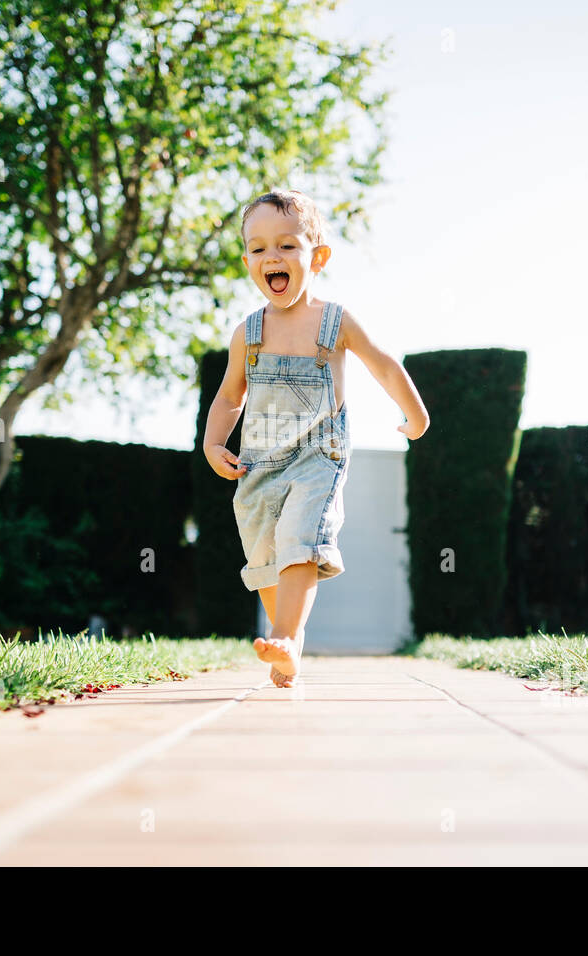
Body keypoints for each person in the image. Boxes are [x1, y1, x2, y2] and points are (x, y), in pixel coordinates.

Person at [202, 188, 430, 687]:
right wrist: (213, 442)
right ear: (247, 261)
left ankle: (283, 636)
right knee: (265, 555)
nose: (272, 257)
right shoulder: (248, 332)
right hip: (259, 461)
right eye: (259, 248)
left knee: (299, 538)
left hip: (316, 458)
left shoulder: (335, 321)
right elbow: (228, 397)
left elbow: (384, 365)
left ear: (317, 257)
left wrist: (415, 415)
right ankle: (289, 649)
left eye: (287, 245)